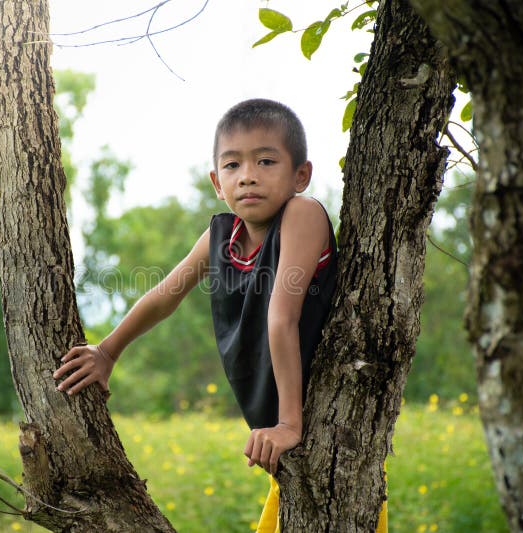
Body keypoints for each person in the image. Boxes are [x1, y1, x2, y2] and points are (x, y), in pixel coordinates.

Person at [53, 98, 387, 532]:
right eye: (232, 166)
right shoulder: (221, 236)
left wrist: (288, 423)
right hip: (289, 452)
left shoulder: (302, 214)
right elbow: (164, 295)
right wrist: (108, 353)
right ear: (216, 181)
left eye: (266, 161)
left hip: (320, 429)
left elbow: (281, 316)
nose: (247, 175)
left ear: (300, 174)